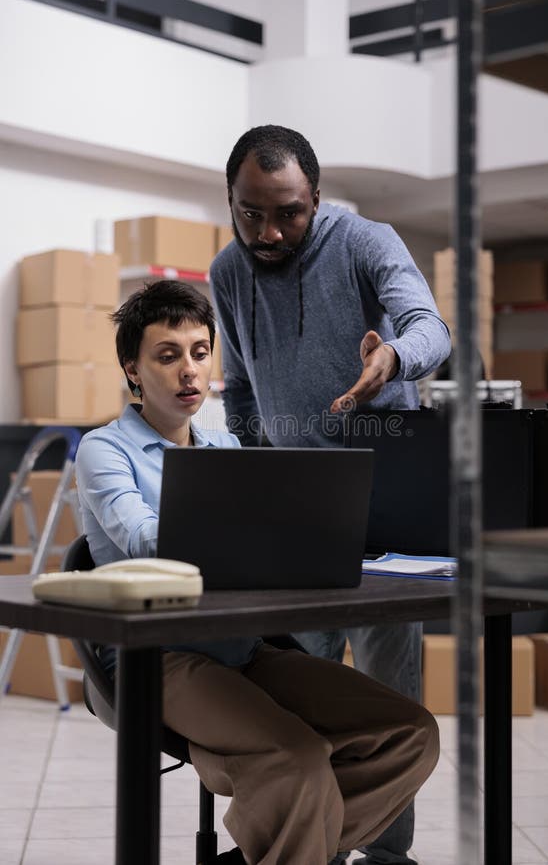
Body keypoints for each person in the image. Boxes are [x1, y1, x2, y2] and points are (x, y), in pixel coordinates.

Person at [75, 280, 440, 865]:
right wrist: (253, 533)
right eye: (167, 356)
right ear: (133, 370)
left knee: (411, 733)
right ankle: (291, 839)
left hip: (242, 648)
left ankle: (278, 848)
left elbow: (261, 543)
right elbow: (147, 540)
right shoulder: (105, 448)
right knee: (297, 760)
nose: (189, 370)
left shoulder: (225, 445)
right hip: (156, 657)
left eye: (200, 352)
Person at [210, 125, 452, 865]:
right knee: (300, 698)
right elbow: (241, 387)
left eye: (288, 213)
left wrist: (394, 358)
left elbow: (431, 328)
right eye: (251, 213)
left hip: (383, 502)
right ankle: (313, 846)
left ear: (315, 198)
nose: (269, 232)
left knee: (387, 702)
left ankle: (386, 856)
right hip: (295, 512)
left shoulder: (365, 243)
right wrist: (251, 472)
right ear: (231, 201)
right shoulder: (228, 271)